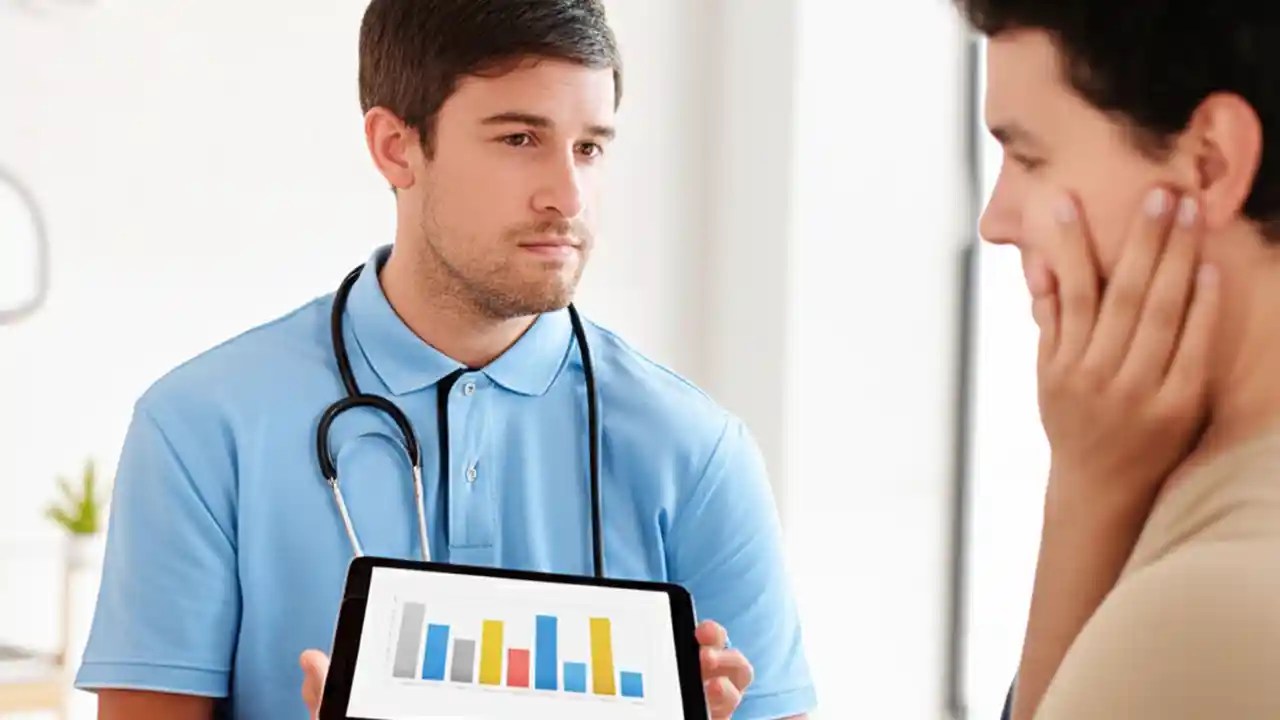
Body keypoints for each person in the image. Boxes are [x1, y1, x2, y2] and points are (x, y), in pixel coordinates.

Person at [72, 1, 817, 718]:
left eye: (589, 146)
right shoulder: (203, 429)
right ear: (397, 147)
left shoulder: (696, 449)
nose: (568, 195)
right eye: (519, 139)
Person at [953, 1, 1280, 718]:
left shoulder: (1201, 619)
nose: (996, 220)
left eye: (1030, 157)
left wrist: (1085, 500)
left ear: (1210, 162)